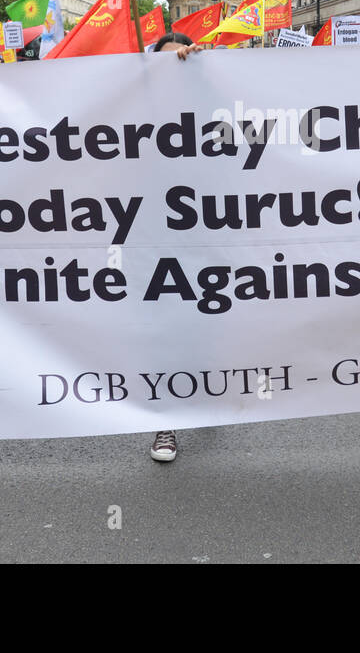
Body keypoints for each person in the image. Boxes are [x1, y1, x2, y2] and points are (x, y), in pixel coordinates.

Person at [146, 31, 200, 463]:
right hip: (151, 238)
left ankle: (215, 392)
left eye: (177, 60)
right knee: (162, 328)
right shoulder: (136, 105)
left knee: (205, 325)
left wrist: (198, 65)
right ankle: (166, 425)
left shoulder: (206, 103)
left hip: (207, 235)